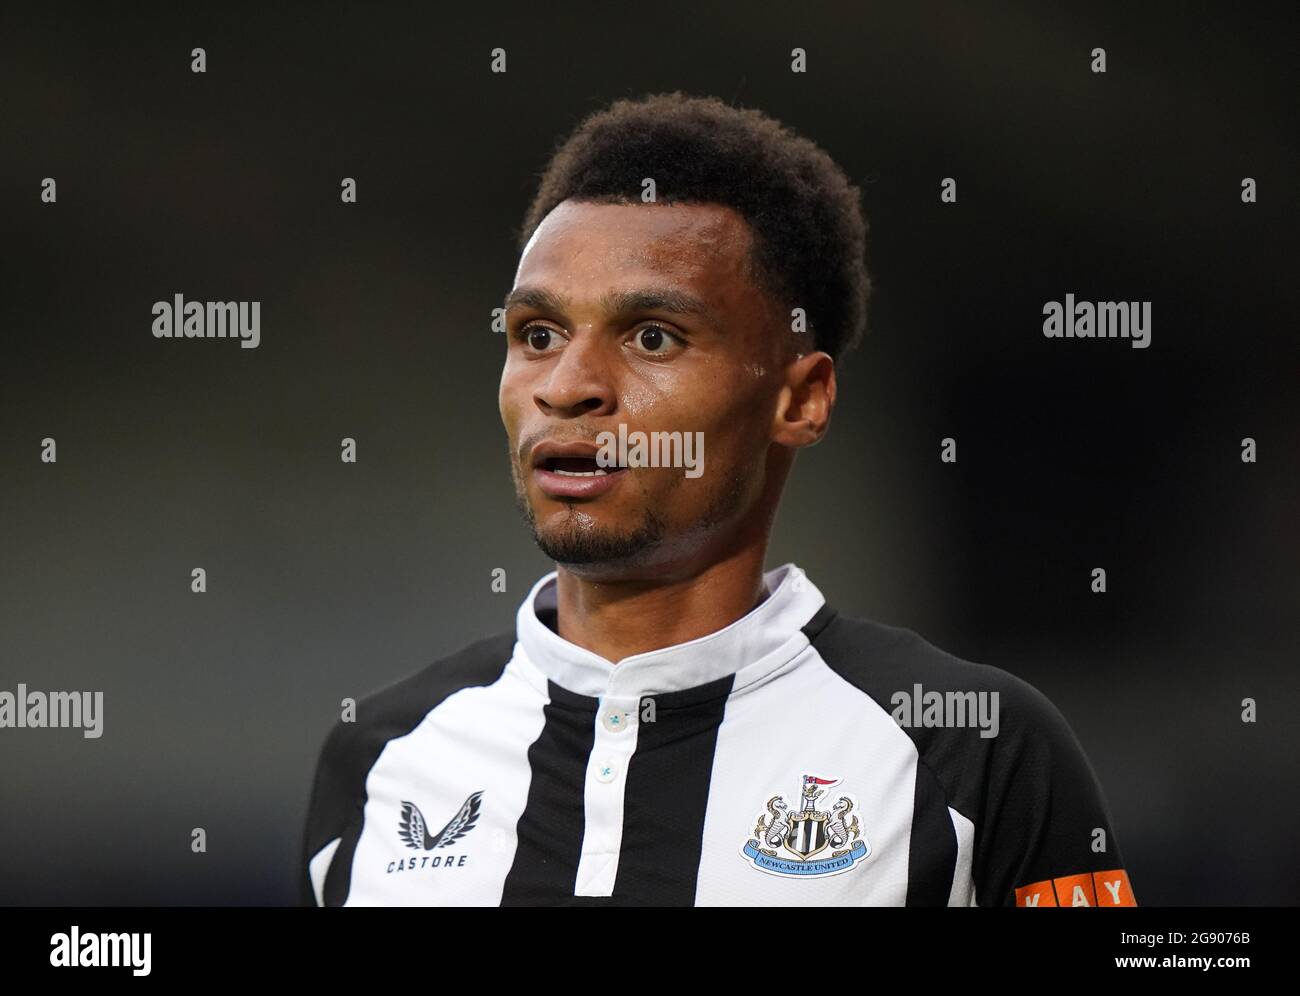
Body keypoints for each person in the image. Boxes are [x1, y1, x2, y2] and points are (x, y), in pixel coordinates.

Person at [300, 91, 1136, 907]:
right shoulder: (381, 758)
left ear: (799, 399)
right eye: (538, 335)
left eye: (652, 336)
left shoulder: (973, 750)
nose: (568, 386)